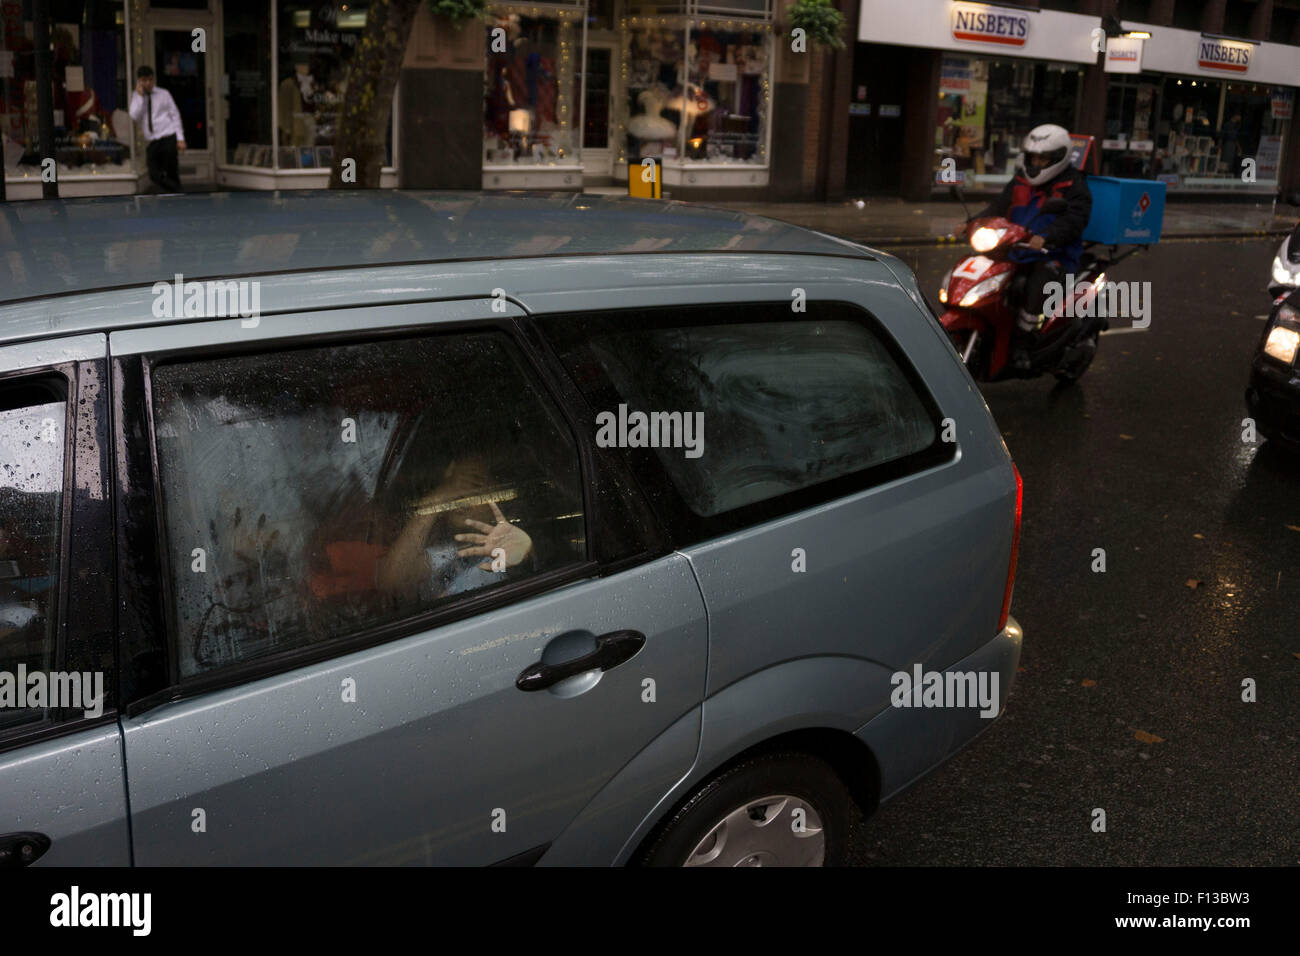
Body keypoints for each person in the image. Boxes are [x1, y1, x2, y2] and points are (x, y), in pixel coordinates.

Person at [970, 123, 1092, 371]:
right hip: (1015, 249)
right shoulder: (1019, 181)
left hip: (1054, 254)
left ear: (1058, 157)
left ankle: (1025, 343)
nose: (1037, 163)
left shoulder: (1074, 186)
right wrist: (971, 222)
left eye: (1043, 158)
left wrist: (1047, 236)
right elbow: (998, 207)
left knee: (1036, 284)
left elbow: (1074, 221)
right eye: (1033, 157)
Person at [128, 66, 185, 193]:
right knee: (153, 174)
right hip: (153, 141)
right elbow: (134, 115)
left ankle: (177, 198)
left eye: (150, 79)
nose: (148, 83)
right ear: (139, 81)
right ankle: (178, 192)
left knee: (171, 172)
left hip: (168, 137)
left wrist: (180, 139)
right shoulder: (136, 97)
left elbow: (175, 115)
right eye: (144, 80)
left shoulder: (163, 94)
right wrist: (141, 97)